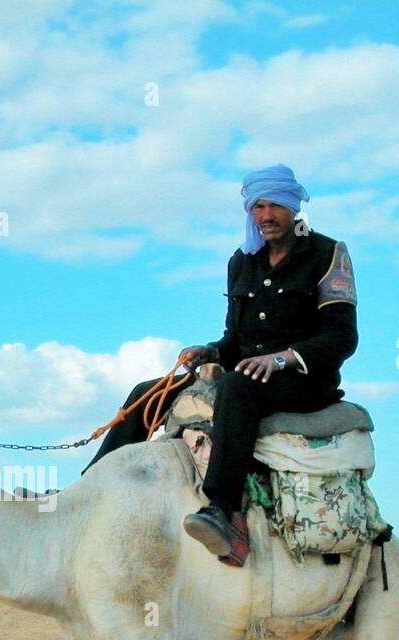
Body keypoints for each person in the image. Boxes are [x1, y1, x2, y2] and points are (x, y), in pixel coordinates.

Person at [82, 164, 358, 564]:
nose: (266, 215)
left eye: (275, 206)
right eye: (258, 207)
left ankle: (222, 509)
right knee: (149, 392)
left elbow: (341, 337)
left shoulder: (329, 254)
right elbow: (235, 340)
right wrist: (210, 352)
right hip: (245, 374)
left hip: (302, 380)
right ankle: (87, 489)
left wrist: (280, 359)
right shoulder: (241, 262)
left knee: (235, 388)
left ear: (293, 206)